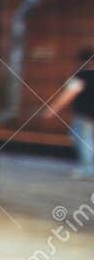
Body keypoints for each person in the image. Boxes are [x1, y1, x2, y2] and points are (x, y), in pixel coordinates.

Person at [48, 51, 94, 179]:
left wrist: (53, 108)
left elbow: (69, 94)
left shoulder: (81, 76)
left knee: (82, 140)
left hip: (85, 115)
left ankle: (88, 169)